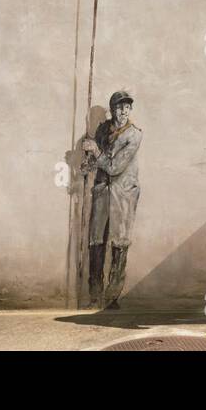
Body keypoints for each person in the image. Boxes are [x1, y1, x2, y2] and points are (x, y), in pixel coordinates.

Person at [81, 91, 141, 310]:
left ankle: (113, 296)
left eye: (127, 107)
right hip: (101, 190)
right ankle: (95, 295)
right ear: (112, 108)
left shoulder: (134, 135)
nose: (123, 112)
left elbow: (115, 167)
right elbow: (93, 160)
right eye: (119, 107)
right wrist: (86, 164)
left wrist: (95, 152)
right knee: (96, 241)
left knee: (120, 243)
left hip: (123, 194)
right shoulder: (103, 129)